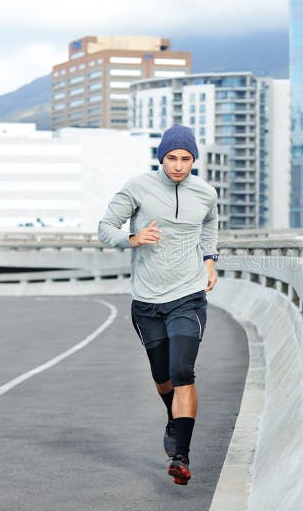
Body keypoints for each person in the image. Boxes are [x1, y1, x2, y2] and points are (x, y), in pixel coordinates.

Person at [97, 124, 218, 486]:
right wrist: (133, 238)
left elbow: (210, 224)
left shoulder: (205, 193)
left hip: (188, 296)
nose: (179, 166)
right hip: (148, 301)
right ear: (161, 158)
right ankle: (172, 416)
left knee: (183, 372)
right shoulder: (138, 187)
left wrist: (209, 259)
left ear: (193, 159)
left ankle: (180, 456)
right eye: (171, 158)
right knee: (162, 376)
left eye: (186, 159)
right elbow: (105, 228)